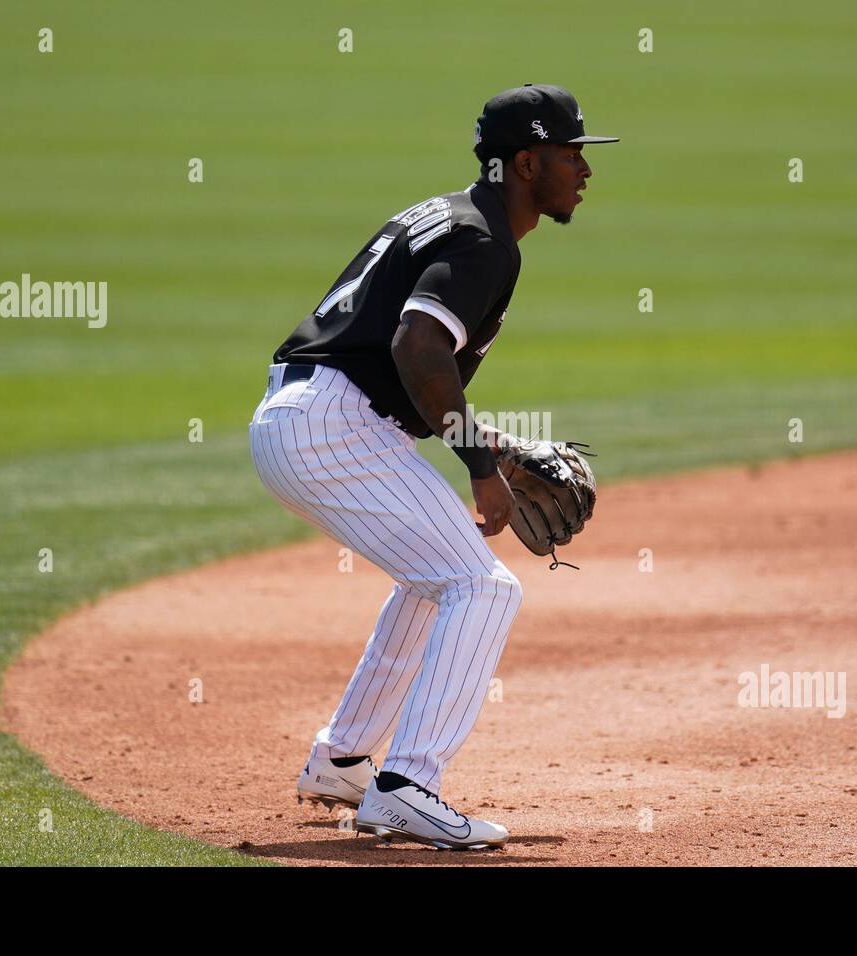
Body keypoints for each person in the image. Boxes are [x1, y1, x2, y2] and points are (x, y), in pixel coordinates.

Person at [249, 84, 617, 849]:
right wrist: (481, 467)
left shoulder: (450, 215)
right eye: (570, 153)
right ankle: (408, 785)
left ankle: (344, 762)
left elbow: (405, 370)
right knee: (482, 587)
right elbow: (416, 346)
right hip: (331, 426)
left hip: (308, 419)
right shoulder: (485, 240)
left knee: (433, 579)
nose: (583, 168)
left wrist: (493, 447)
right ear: (525, 162)